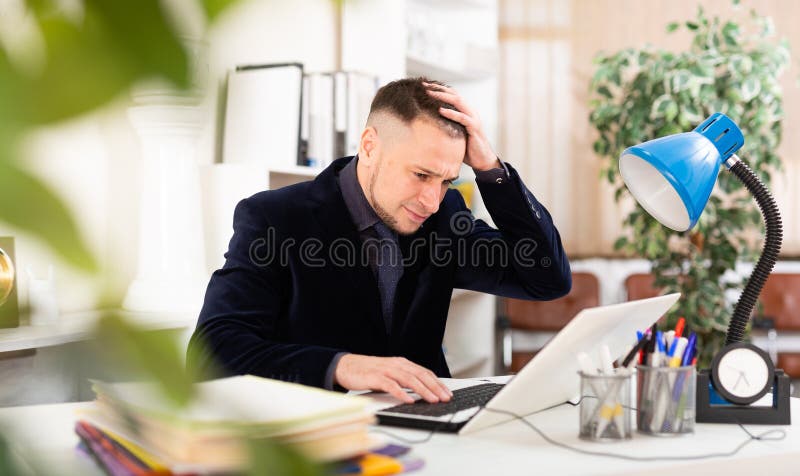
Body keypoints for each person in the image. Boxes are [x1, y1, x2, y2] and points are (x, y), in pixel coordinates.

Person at [187, 77, 571, 404]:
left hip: (429, 429)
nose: (431, 199)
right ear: (369, 146)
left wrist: (491, 170)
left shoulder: (444, 217)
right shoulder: (275, 218)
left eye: (445, 181)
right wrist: (341, 365)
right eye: (421, 175)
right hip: (322, 435)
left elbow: (546, 278)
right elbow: (214, 352)